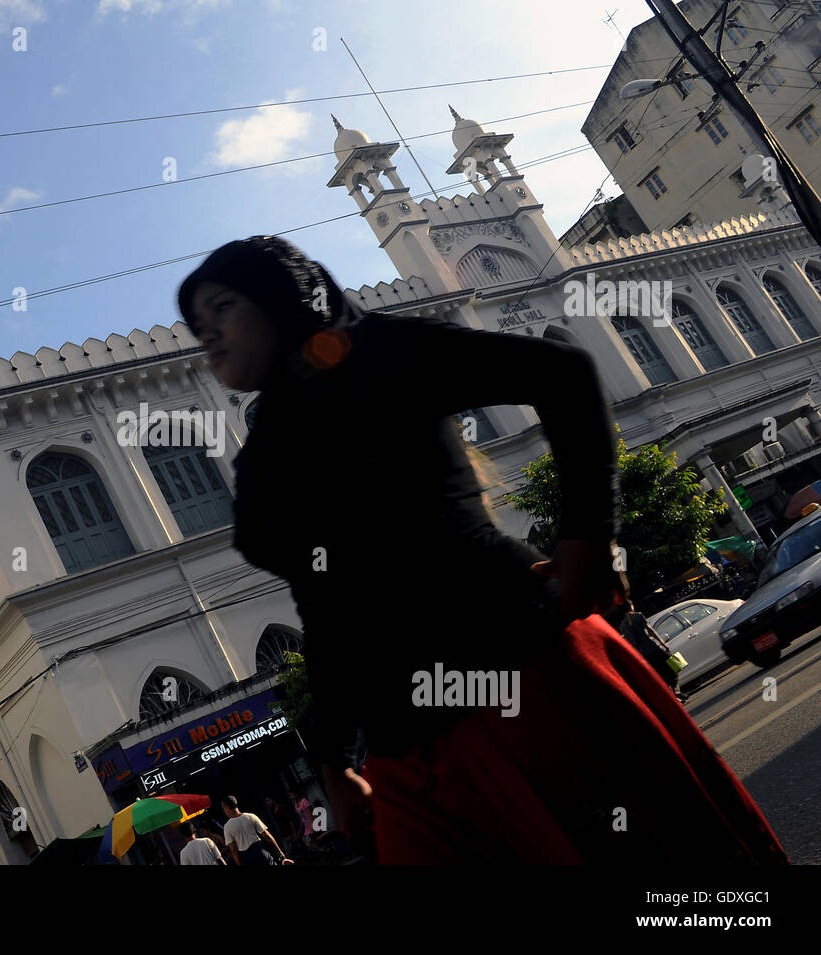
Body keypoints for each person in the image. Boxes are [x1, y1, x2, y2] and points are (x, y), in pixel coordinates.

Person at [177, 235, 789, 865]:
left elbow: (562, 373)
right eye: (198, 326)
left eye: (223, 308)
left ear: (279, 299)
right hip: (405, 741)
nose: (210, 335)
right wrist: (334, 763)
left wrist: (588, 537)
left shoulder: (375, 355)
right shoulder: (266, 452)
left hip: (513, 669)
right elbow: (324, 610)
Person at [221, 795, 294, 865]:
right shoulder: (251, 817)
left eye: (223, 809)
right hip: (261, 852)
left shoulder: (227, 827)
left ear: (227, 807)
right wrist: (279, 851)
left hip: (247, 858)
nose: (224, 811)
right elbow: (267, 835)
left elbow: (233, 850)